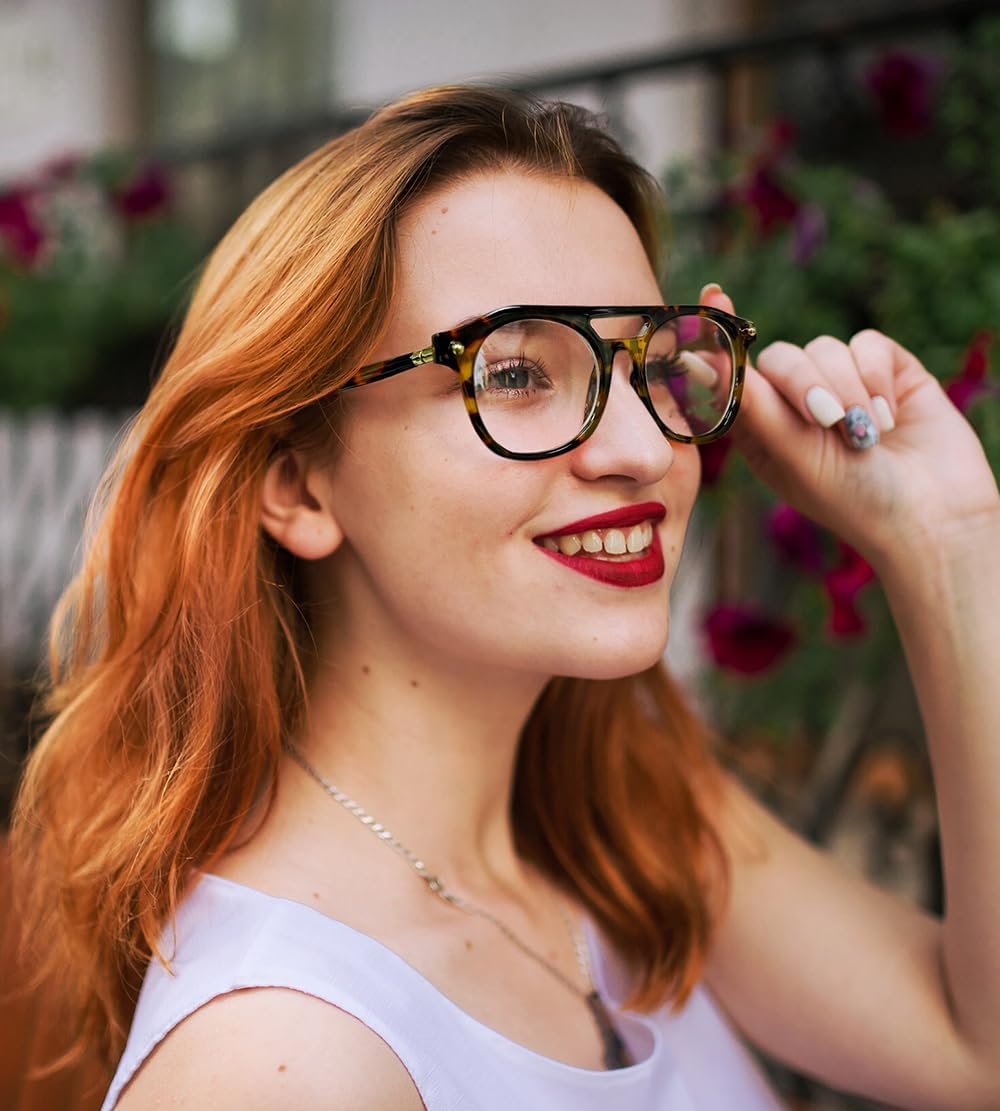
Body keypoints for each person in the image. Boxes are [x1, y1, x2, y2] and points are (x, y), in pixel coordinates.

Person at [10, 85, 1000, 1111]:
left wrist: (947, 541)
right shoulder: (284, 1059)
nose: (643, 448)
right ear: (298, 482)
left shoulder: (627, 831)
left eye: (648, 361)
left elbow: (978, 1051)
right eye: (516, 371)